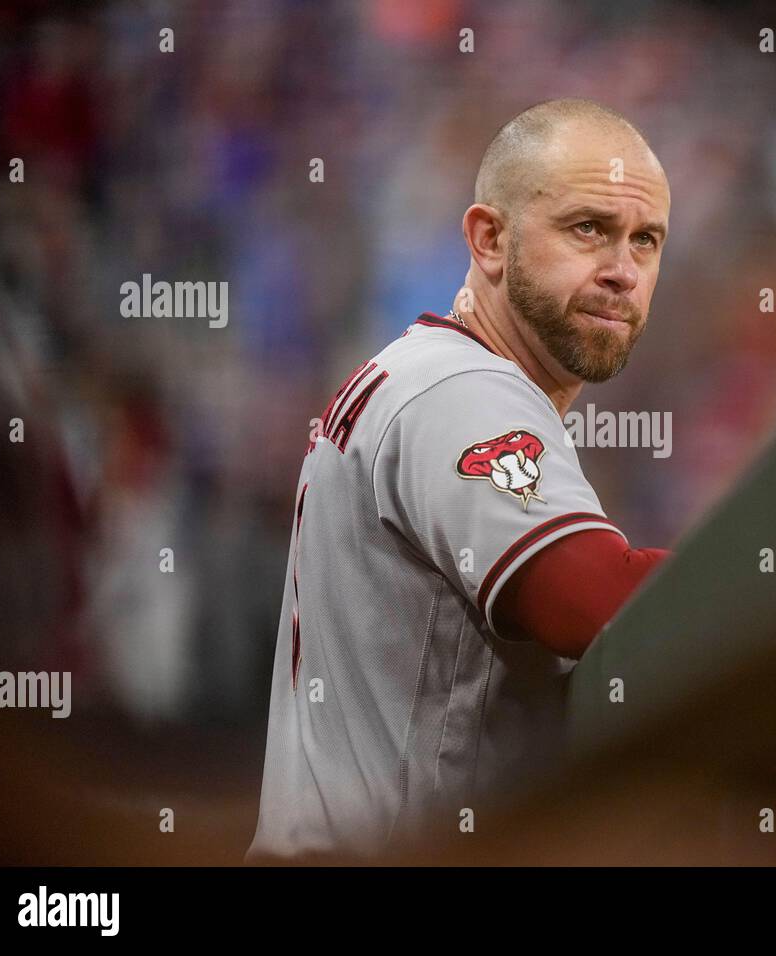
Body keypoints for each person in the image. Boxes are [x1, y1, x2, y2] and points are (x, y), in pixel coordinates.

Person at [248, 98, 672, 860]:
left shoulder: (432, 376)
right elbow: (585, 597)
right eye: (589, 229)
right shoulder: (460, 388)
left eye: (646, 241)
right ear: (490, 240)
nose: (622, 270)